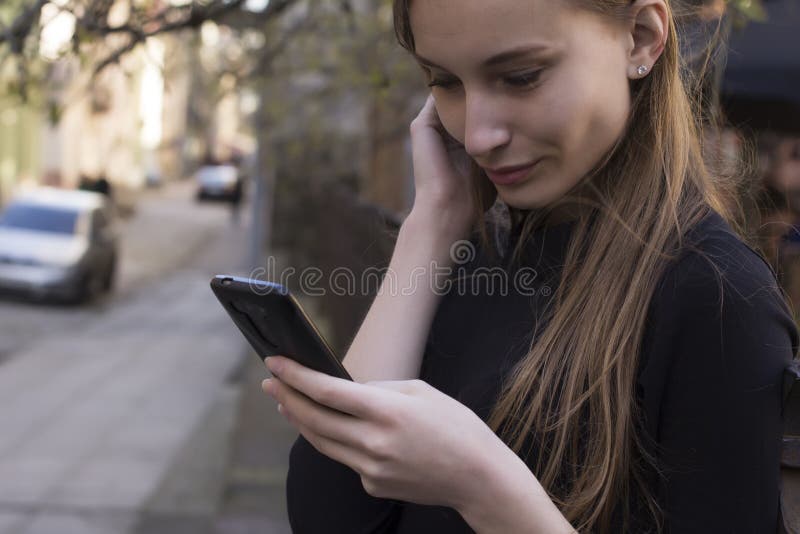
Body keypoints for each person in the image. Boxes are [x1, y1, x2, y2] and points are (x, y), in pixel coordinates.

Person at [260, 0, 799, 532]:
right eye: (445, 81)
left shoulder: (717, 297)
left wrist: (482, 486)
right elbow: (327, 517)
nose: (476, 137)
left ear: (639, 37)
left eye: (520, 77)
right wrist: (430, 227)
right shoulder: (474, 259)